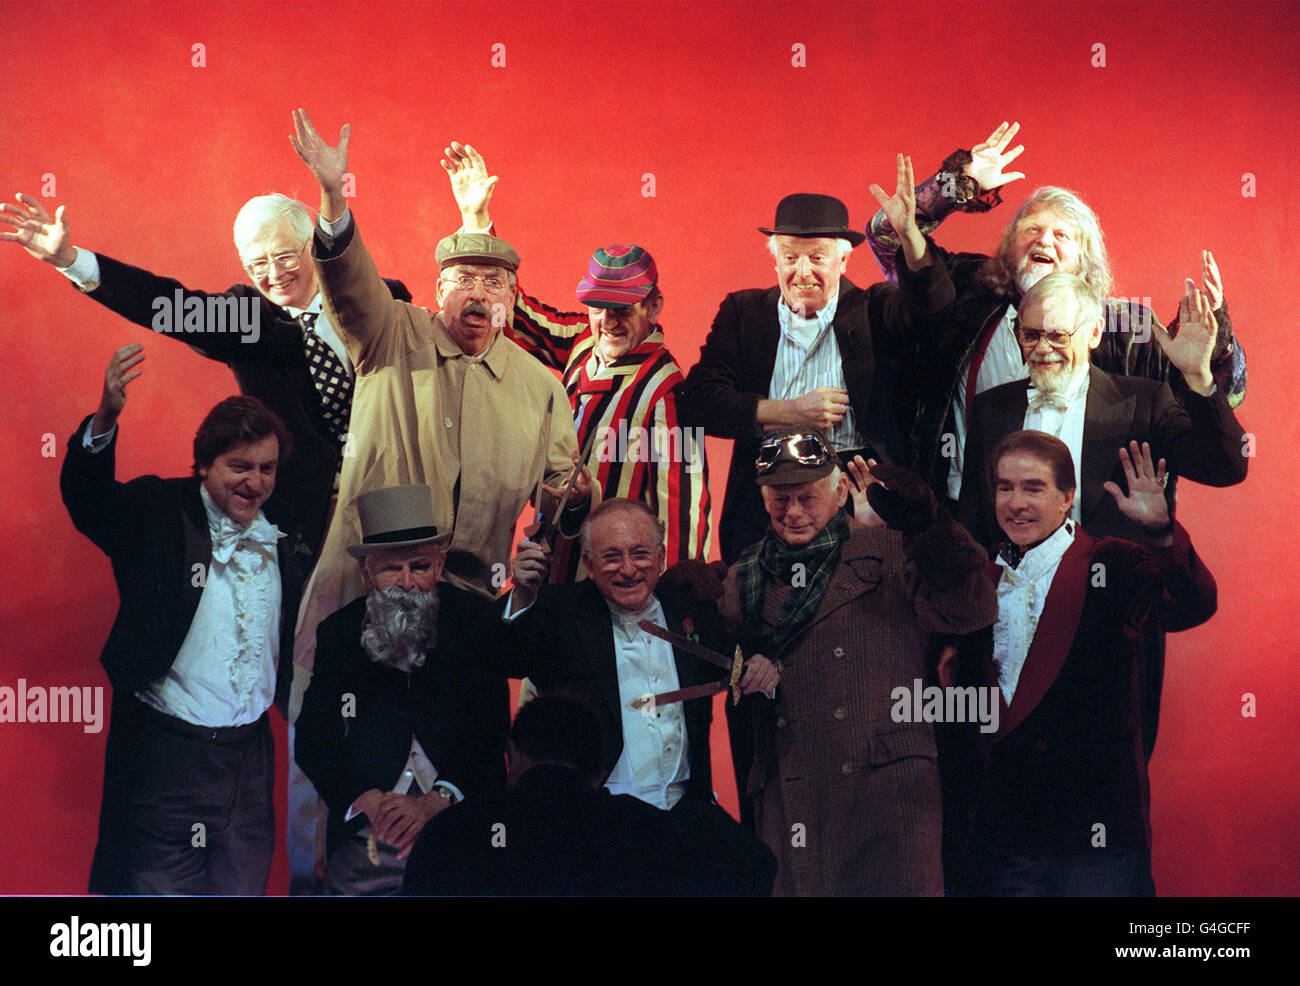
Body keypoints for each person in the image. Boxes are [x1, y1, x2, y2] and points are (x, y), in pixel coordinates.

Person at [288, 109, 588, 643]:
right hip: (363, 594)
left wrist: (577, 498)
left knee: (459, 725)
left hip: (468, 609)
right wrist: (333, 196)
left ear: (512, 299)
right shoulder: (390, 333)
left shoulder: (539, 386)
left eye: (494, 283)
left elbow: (557, 497)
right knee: (343, 719)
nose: (478, 293)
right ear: (438, 289)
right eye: (463, 279)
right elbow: (350, 284)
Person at [3, 189, 411, 560]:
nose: (274, 273)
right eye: (257, 264)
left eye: (285, 256)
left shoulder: (382, 299)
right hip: (304, 529)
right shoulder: (246, 318)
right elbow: (163, 303)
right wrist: (71, 260)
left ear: (313, 247)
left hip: (394, 503)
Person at [861, 121, 1247, 503]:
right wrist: (958, 186)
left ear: (1085, 261)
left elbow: (1218, 409)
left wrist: (1214, 348)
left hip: (1094, 529)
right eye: (1032, 230)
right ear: (1010, 247)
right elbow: (890, 234)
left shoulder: (1128, 327)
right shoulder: (967, 291)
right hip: (972, 521)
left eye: (1062, 235)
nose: (1044, 239)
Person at [60, 343, 304, 894]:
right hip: (168, 757)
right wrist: (105, 419)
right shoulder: (158, 510)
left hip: (250, 758)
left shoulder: (282, 535)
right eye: (239, 467)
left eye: (266, 469)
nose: (254, 482)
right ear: (204, 462)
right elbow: (87, 499)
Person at [719, 429, 997, 895]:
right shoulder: (742, 579)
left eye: (807, 497)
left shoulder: (894, 550)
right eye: (779, 499)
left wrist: (932, 527)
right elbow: (724, 671)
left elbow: (973, 610)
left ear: (841, 490)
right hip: (796, 794)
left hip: (890, 798)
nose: (793, 512)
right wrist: (746, 669)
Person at [953, 432, 1217, 895]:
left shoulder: (1111, 562)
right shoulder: (976, 578)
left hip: (1099, 848)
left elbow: (1191, 605)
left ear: (1067, 497)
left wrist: (1160, 532)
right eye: (1004, 487)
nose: (1016, 503)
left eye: (1033, 488)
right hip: (1002, 848)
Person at [439, 141, 712, 581]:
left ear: (655, 307)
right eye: (598, 306)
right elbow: (508, 312)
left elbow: (682, 510)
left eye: (623, 308)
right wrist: (476, 220)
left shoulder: (666, 390)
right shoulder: (585, 340)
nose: (608, 321)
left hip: (613, 579)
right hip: (553, 563)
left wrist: (675, 596)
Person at [679, 165, 953, 564]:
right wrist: (790, 412)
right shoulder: (744, 312)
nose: (802, 271)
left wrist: (911, 237)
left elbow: (932, 313)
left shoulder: (874, 309)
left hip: (859, 496)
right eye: (790, 256)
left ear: (843, 261)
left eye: (817, 258)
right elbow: (698, 403)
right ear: (774, 260)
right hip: (765, 501)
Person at [507, 498, 777, 895]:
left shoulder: (691, 608)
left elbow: (742, 653)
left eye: (639, 554)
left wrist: (763, 664)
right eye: (612, 557)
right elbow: (507, 652)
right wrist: (523, 595)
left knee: (756, 865)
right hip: (600, 822)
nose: (629, 569)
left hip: (685, 811)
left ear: (662, 555)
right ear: (588, 561)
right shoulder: (559, 611)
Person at [294, 485, 514, 895]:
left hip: (461, 837)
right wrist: (368, 799)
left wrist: (435, 800)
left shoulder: (476, 622)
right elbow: (313, 737)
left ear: (440, 563)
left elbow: (490, 727)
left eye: (419, 566)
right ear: (367, 572)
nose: (407, 583)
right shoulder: (340, 633)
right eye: (392, 569)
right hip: (368, 847)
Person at [402, 693, 767, 896]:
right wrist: (695, 809)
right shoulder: (649, 832)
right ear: (601, 770)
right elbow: (757, 864)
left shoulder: (454, 832)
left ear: (511, 756)